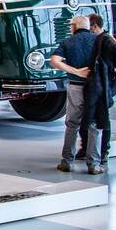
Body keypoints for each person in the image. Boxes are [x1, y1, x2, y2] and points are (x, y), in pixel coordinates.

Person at [49, 14, 98, 173]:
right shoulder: (98, 40)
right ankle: (94, 164)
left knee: (72, 124)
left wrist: (75, 71)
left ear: (74, 27)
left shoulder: (68, 42)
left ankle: (66, 161)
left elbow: (54, 61)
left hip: (75, 87)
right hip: (94, 88)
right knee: (93, 125)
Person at [77, 13, 116, 173]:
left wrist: (114, 68)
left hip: (100, 86)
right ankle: (93, 151)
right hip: (100, 85)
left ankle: (101, 153)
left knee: (99, 120)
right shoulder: (104, 39)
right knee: (95, 120)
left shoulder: (105, 40)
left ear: (94, 26)